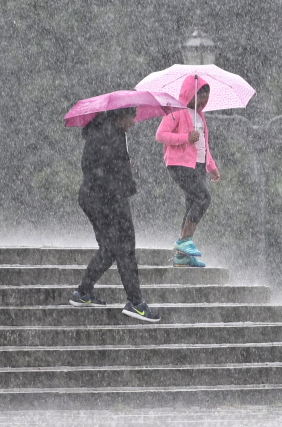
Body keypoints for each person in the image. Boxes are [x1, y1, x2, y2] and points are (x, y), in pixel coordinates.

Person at [69, 107, 161, 323]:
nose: (134, 122)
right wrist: (120, 168)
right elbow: (98, 168)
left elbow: (98, 165)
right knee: (124, 247)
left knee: (110, 248)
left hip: (98, 197)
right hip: (107, 200)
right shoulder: (107, 134)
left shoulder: (106, 131)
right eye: (132, 117)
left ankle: (83, 292)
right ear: (120, 116)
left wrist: (122, 165)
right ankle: (136, 303)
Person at [154, 74, 219, 266]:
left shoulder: (200, 116)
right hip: (179, 164)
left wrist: (211, 166)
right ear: (189, 94)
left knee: (192, 203)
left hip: (198, 166)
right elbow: (160, 135)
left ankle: (182, 255)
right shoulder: (176, 112)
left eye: (207, 97)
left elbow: (204, 145)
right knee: (203, 198)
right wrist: (185, 137)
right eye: (200, 95)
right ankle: (183, 242)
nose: (204, 100)